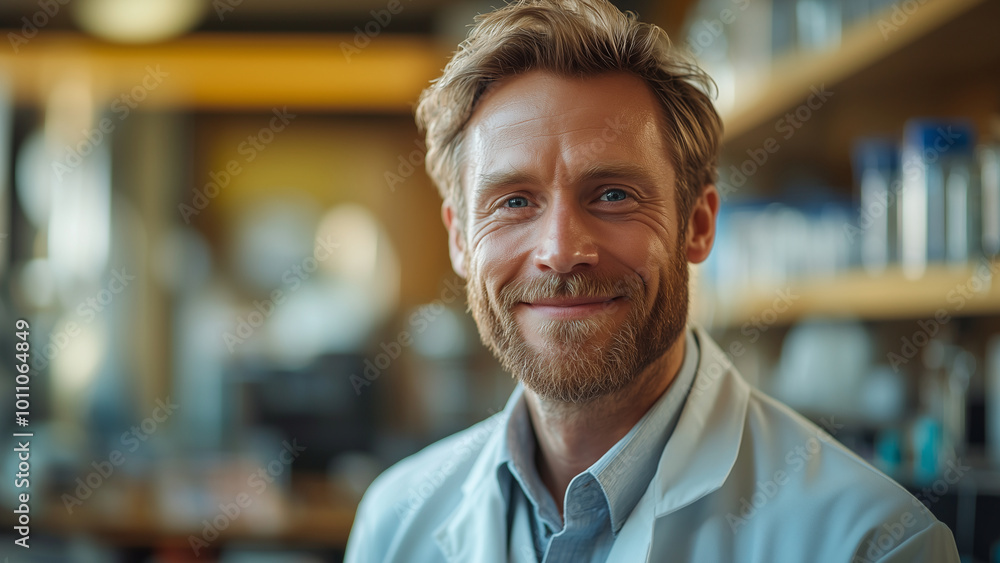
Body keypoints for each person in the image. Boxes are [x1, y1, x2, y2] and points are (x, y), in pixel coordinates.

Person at [344, 0, 961, 561]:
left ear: (697, 223)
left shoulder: (873, 543)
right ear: (459, 239)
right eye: (513, 202)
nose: (561, 252)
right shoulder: (395, 523)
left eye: (612, 194)